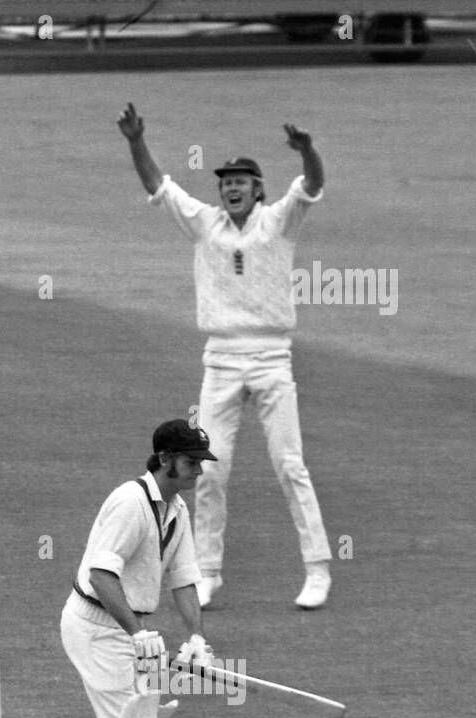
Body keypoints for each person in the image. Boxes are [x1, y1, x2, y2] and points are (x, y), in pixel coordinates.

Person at [116, 102, 333, 610]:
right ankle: (208, 571)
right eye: (225, 182)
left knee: (289, 464)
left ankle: (318, 568)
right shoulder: (205, 224)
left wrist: (306, 150)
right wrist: (135, 141)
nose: (232, 187)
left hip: (272, 356)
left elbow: (313, 184)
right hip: (220, 359)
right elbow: (158, 187)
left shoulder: (279, 220)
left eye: (241, 180)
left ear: (258, 188)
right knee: (209, 469)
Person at [38, 419, 218, 718]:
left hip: (128, 630)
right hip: (94, 627)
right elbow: (102, 574)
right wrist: (137, 633)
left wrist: (196, 637)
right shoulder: (129, 502)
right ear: (166, 459)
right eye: (191, 462)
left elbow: (185, 577)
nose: (199, 471)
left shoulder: (177, 508)